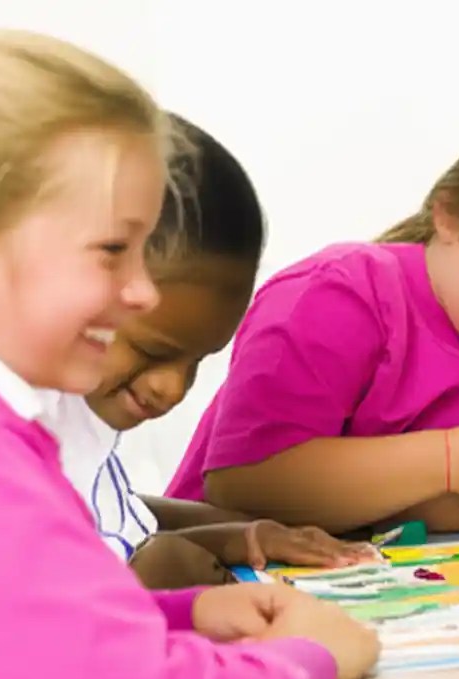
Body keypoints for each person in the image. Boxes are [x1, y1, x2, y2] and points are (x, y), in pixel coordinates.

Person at [0, 29, 377, 679]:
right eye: (113, 250)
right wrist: (305, 662)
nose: (142, 293)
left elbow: (33, 640)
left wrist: (191, 613)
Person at [165, 97, 459, 536]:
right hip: (215, 581)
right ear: (450, 213)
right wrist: (449, 464)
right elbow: (244, 480)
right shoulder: (336, 296)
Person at [41, 113, 373, 589]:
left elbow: (115, 514)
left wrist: (241, 534)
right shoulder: (3, 424)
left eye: (196, 361)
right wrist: (144, 578)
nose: (172, 389)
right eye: (152, 351)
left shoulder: (77, 416)